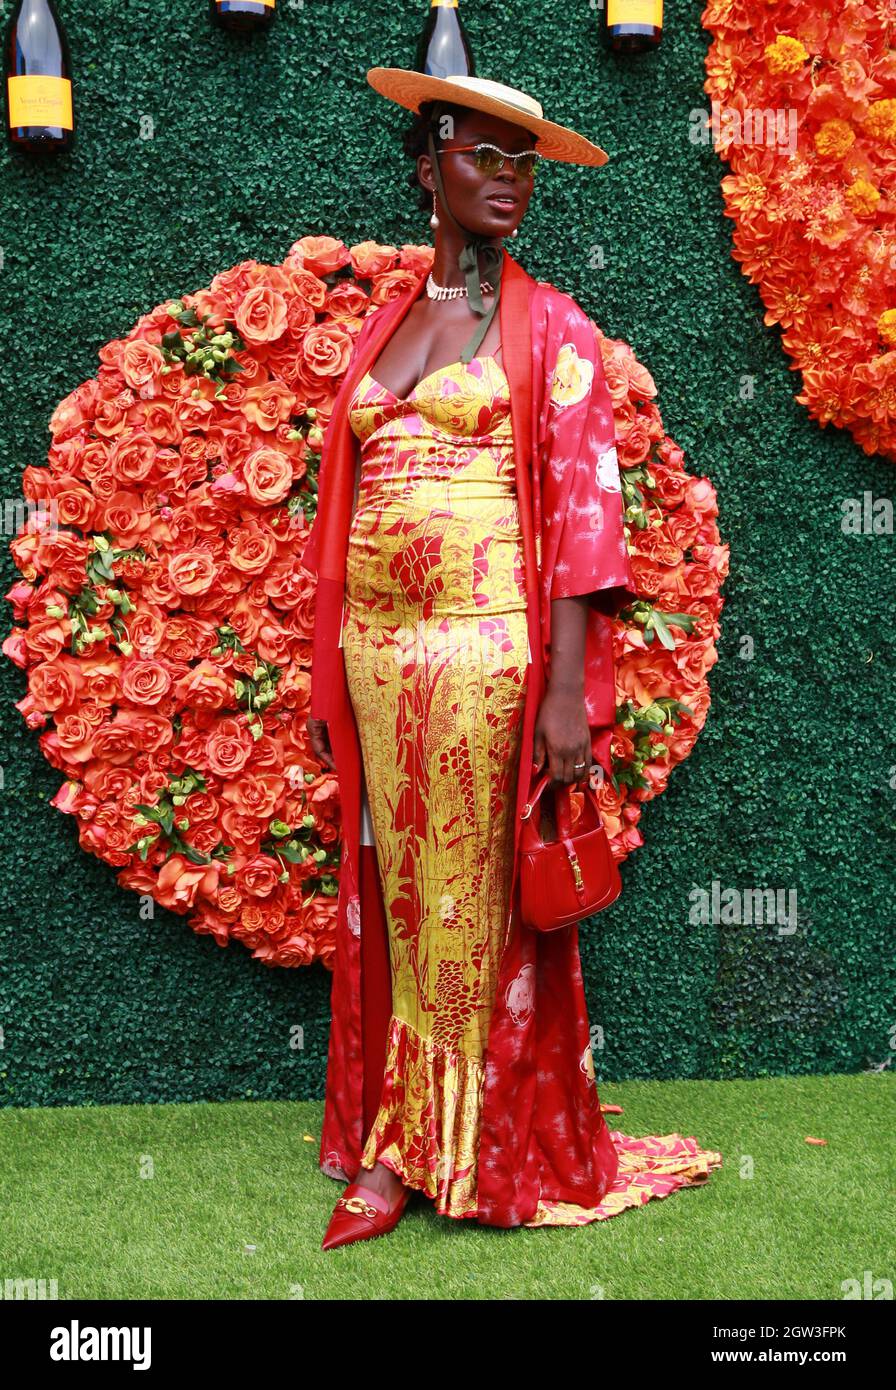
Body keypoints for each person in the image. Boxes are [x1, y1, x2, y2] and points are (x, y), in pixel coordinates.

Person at [302, 66, 722, 1249]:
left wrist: (562, 692)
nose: (505, 181)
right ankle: (408, 1122)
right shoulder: (388, 321)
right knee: (396, 898)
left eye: (520, 160)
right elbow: (344, 500)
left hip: (490, 657)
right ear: (424, 165)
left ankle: (425, 1156)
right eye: (481, 155)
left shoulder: (555, 328)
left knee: (470, 908)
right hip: (379, 657)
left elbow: (589, 518)